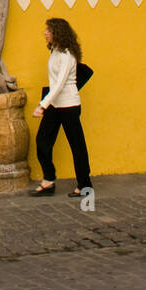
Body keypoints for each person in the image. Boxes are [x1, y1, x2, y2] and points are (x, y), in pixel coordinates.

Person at [28, 17, 92, 198]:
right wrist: (48, 104)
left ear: (58, 33)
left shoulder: (66, 55)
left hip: (69, 105)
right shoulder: (55, 51)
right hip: (55, 104)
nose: (45, 33)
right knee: (43, 142)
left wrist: (42, 105)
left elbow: (60, 84)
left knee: (77, 146)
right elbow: (54, 83)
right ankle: (48, 181)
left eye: (48, 30)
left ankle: (85, 185)